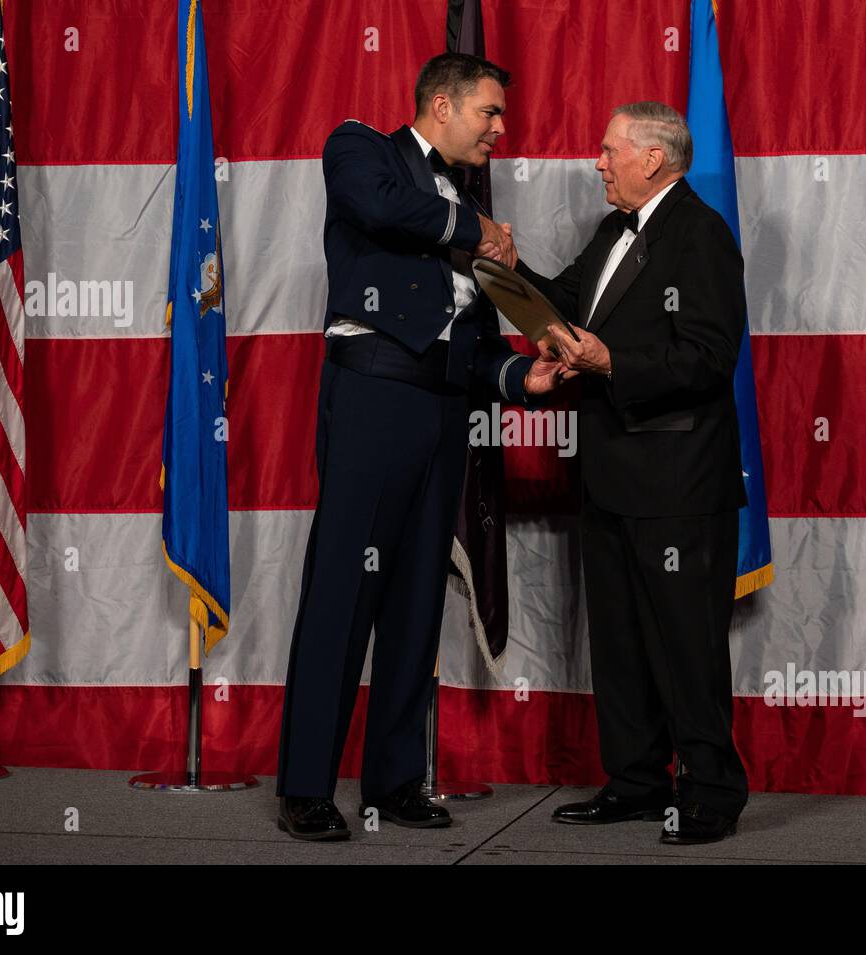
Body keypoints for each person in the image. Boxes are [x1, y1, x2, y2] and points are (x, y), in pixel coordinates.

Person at [276, 53, 565, 841]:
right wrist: (481, 232)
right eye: (490, 113)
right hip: (372, 394)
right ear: (441, 104)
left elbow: (472, 351)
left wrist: (520, 378)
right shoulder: (361, 146)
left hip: (442, 407)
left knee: (414, 599)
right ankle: (305, 785)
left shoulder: (467, 208)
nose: (501, 129)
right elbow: (379, 206)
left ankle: (397, 778)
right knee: (343, 592)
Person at [515, 102, 750, 845]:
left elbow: (709, 358)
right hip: (612, 472)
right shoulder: (613, 231)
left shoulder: (701, 235)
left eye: (610, 148)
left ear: (652, 158)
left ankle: (711, 792)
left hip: (680, 482)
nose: (598, 161)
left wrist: (611, 361)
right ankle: (638, 781)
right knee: (616, 641)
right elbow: (560, 305)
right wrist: (499, 264)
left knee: (686, 645)